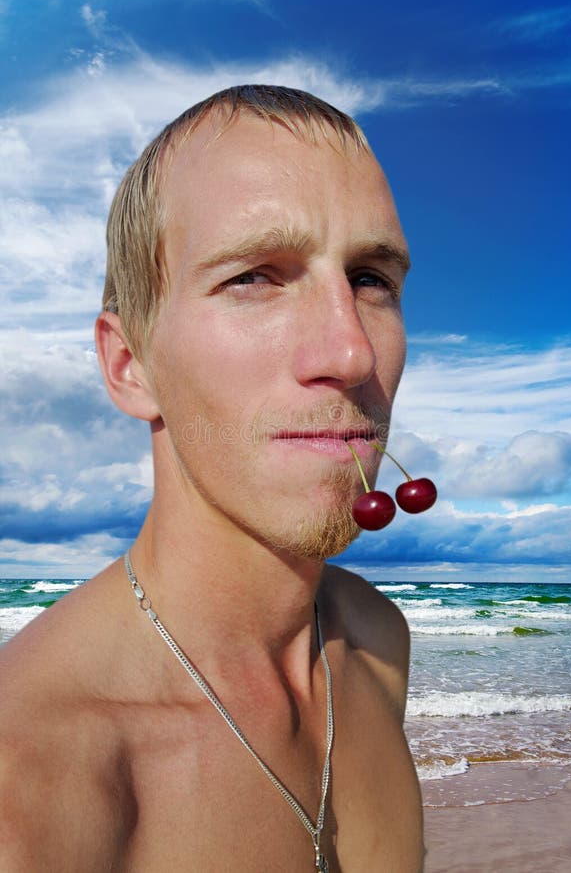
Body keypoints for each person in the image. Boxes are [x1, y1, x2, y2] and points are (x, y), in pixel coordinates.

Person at [0, 85, 425, 871]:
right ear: (131, 367)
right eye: (256, 276)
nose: (351, 353)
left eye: (370, 279)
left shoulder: (374, 641)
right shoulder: (31, 778)